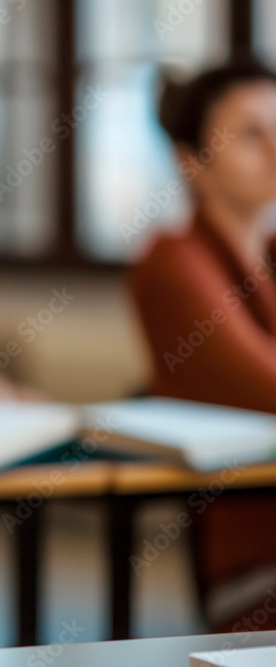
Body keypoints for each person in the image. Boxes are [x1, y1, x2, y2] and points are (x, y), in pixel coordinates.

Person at [130, 58, 276, 631]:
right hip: (255, 568)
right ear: (190, 161)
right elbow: (266, 387)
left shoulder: (268, 255)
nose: (274, 149)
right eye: (250, 134)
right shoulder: (172, 263)